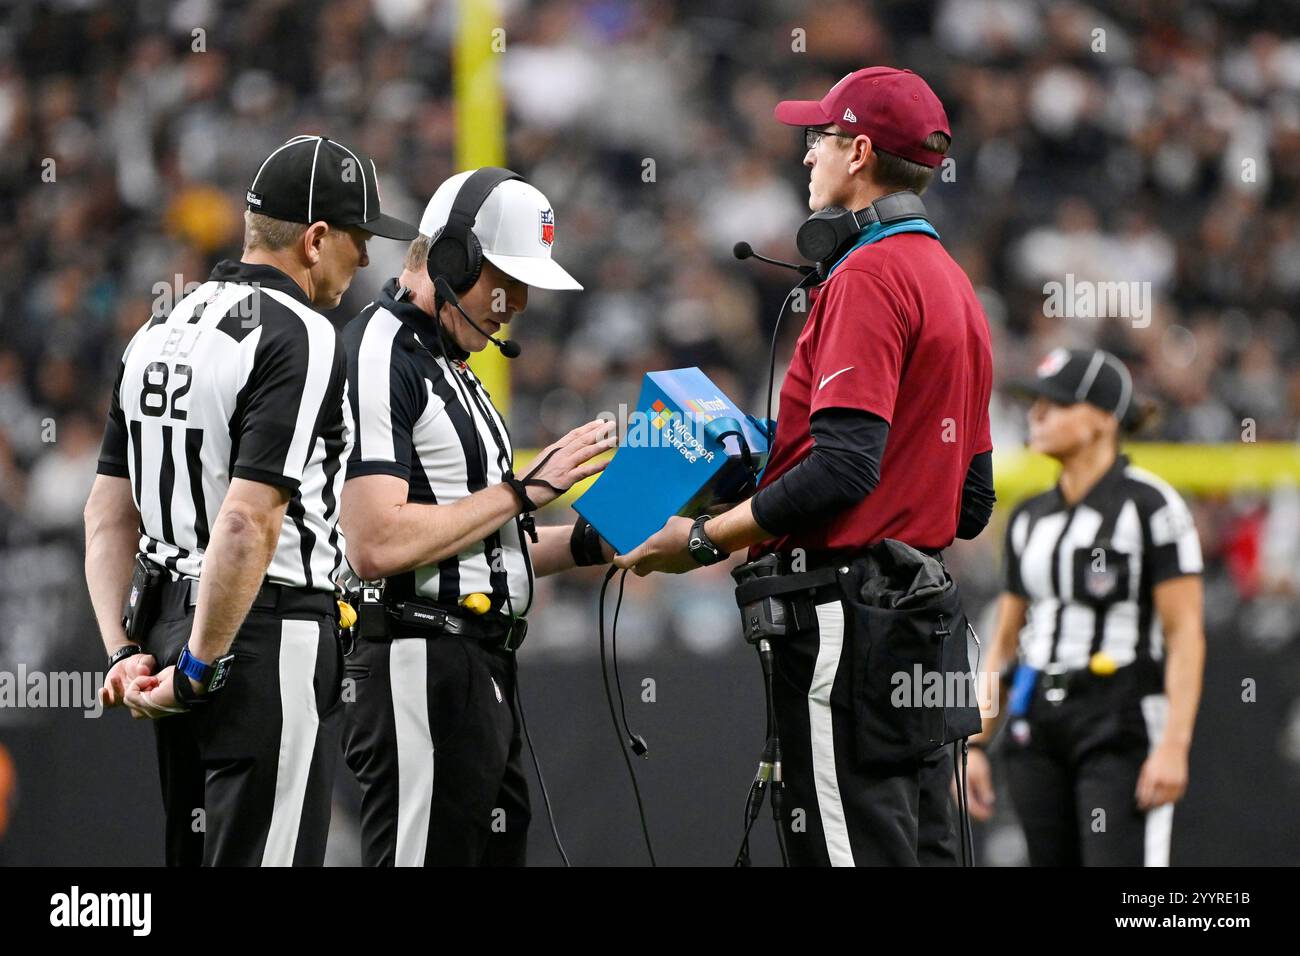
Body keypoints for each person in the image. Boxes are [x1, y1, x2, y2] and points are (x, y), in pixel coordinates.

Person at [618, 67, 996, 866]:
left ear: (859, 152)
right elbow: (971, 501)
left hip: (845, 618)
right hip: (920, 620)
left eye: (818, 138)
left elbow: (844, 472)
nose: (806, 156)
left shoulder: (866, 276)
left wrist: (705, 539)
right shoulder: (956, 287)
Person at [83, 134, 419, 866]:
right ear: (316, 238)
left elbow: (108, 512)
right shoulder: (301, 332)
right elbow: (247, 519)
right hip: (262, 633)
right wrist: (203, 667)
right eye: (358, 239)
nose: (364, 259)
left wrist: (123, 650)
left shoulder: (157, 327)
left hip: (163, 624)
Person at [339, 167, 616, 866]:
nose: (517, 302)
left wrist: (612, 535)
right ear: (453, 259)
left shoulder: (454, 366)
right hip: (415, 655)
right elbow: (373, 541)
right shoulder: (379, 352)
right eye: (505, 279)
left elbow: (497, 547)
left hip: (476, 664)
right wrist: (522, 491)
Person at [964, 347, 1205, 866]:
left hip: (1120, 715)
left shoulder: (1150, 506)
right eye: (1034, 403)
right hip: (1039, 721)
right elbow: (1005, 640)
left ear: (1101, 418)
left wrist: (1174, 746)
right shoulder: (1028, 517)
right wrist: (978, 743)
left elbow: (1185, 632)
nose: (1037, 415)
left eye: (1055, 404)